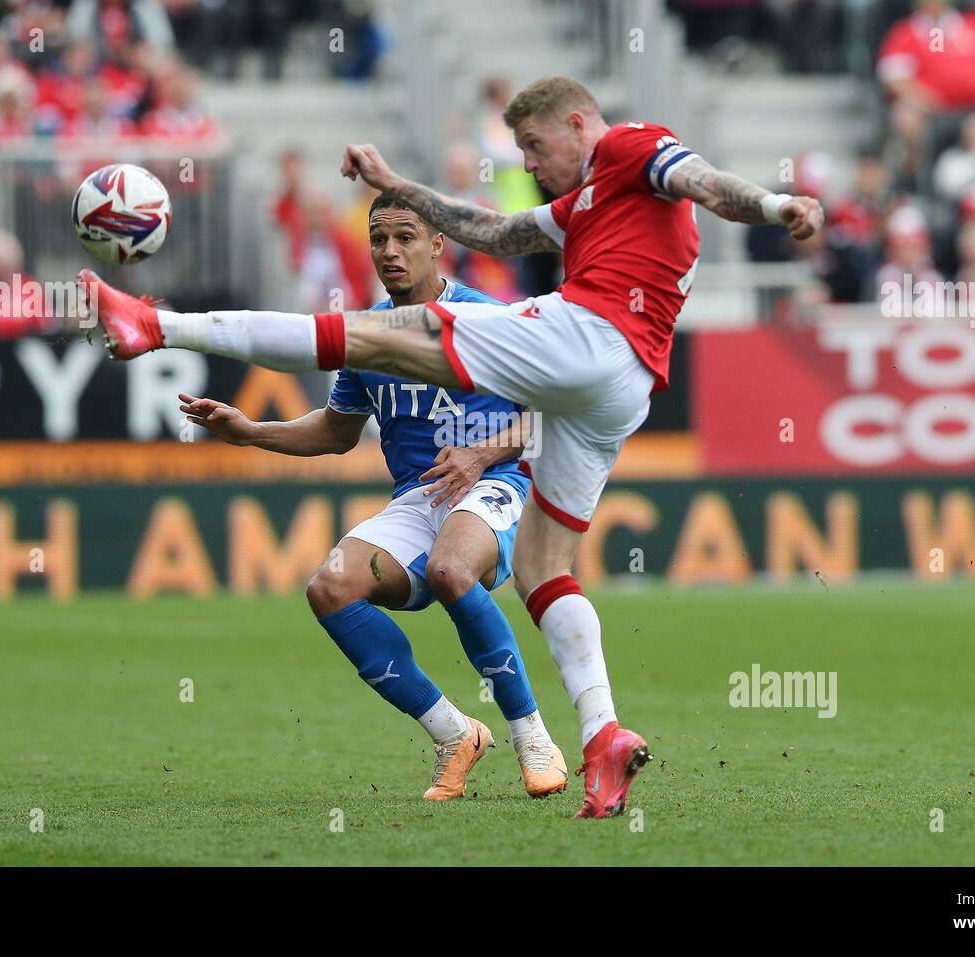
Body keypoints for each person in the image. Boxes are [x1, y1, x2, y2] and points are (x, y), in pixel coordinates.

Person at [81, 74, 824, 818]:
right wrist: (396, 182)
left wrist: (771, 205)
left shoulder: (628, 147)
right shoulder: (585, 207)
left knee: (384, 337)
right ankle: (601, 735)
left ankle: (160, 325)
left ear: (576, 123)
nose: (529, 162)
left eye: (534, 145)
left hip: (591, 339)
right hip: (620, 388)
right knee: (542, 569)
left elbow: (701, 181)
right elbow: (495, 232)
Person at [175, 192, 567, 801]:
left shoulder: (491, 320)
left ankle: (532, 735)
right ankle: (454, 733)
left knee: (450, 569)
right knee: (329, 588)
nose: (390, 251)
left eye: (405, 237)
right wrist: (250, 431)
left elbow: (552, 414)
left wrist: (481, 453)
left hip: (497, 484)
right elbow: (336, 431)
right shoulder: (366, 338)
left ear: (439, 242)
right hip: (419, 498)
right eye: (379, 238)